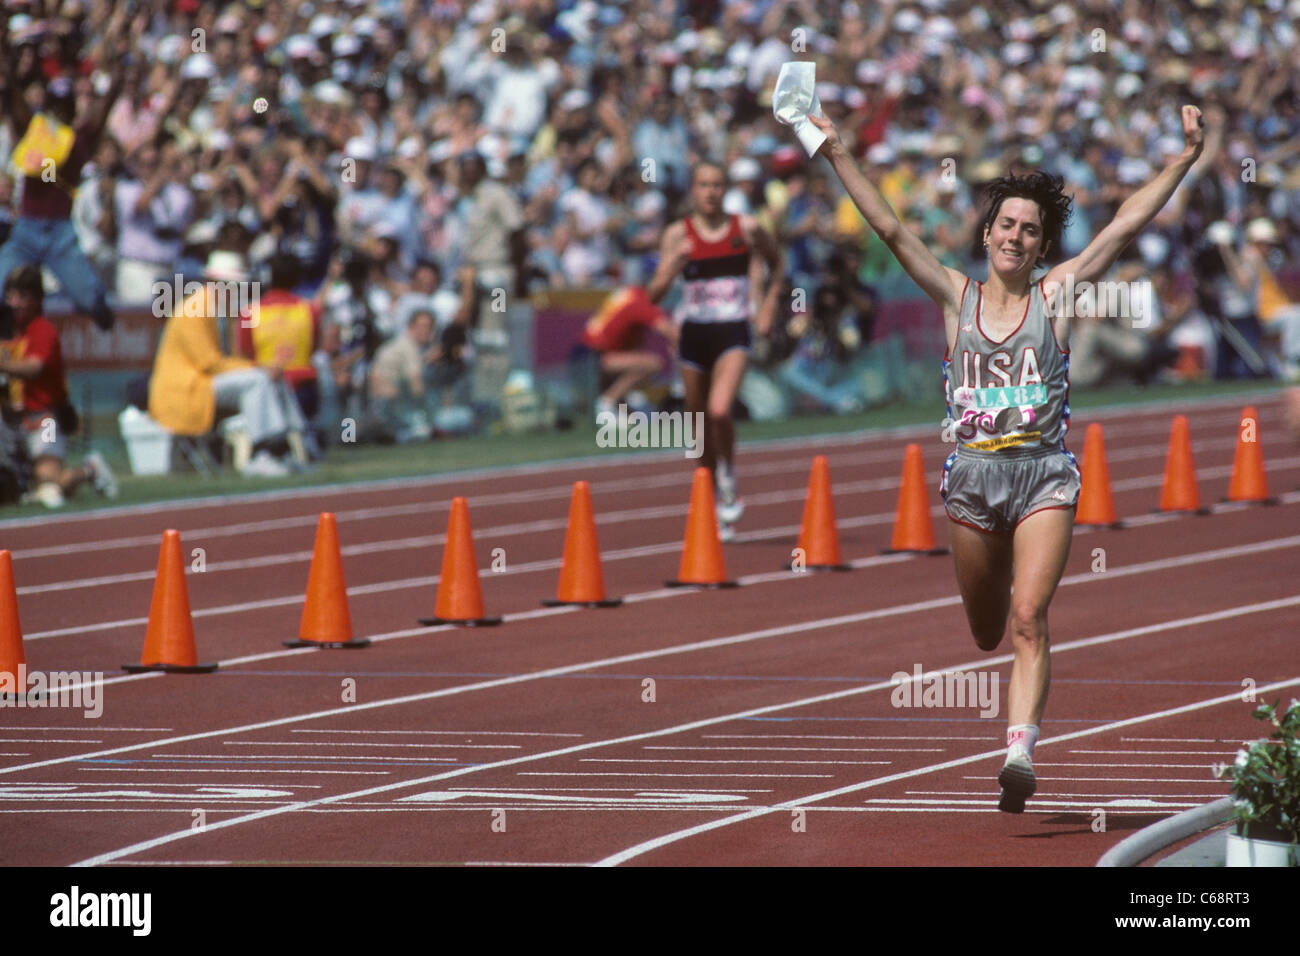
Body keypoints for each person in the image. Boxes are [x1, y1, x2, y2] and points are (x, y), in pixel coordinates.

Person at [805, 104, 1207, 812]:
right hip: (971, 480)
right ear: (987, 234)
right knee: (987, 628)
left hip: (1043, 476)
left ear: (1042, 243)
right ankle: (1011, 706)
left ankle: (1019, 749)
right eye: (1007, 225)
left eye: (1030, 229)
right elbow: (891, 227)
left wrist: (1183, 159)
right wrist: (835, 149)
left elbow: (1125, 226)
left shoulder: (1056, 296)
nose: (1016, 236)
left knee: (1029, 616)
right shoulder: (954, 297)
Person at [646, 162, 783, 539]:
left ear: (726, 189)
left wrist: (767, 303)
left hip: (733, 331)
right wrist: (672, 265)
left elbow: (778, 262)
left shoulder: (748, 229)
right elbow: (653, 295)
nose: (710, 192)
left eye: (717, 184)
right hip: (693, 334)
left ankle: (729, 474)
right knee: (697, 426)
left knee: (719, 410)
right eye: (703, 184)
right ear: (693, 189)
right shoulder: (678, 234)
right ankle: (710, 497)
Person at [148, 252, 307, 477]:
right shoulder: (195, 309)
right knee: (257, 380)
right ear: (213, 283)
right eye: (230, 285)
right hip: (185, 390)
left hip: (200, 384)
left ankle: (287, 445)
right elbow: (209, 363)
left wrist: (261, 369)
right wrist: (258, 368)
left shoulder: (214, 309)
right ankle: (262, 453)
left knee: (268, 378)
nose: (235, 292)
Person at [0, 265, 116, 507]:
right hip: (13, 421)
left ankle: (89, 470)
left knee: (50, 484)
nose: (15, 303)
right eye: (11, 296)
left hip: (46, 419)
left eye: (23, 297)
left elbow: (34, 368)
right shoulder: (9, 332)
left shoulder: (43, 331)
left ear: (37, 300)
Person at [581, 285, 677, 419]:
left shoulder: (632, 293)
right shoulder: (641, 304)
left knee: (638, 344)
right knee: (652, 364)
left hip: (588, 351)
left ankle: (623, 401)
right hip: (596, 355)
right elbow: (670, 331)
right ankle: (608, 403)